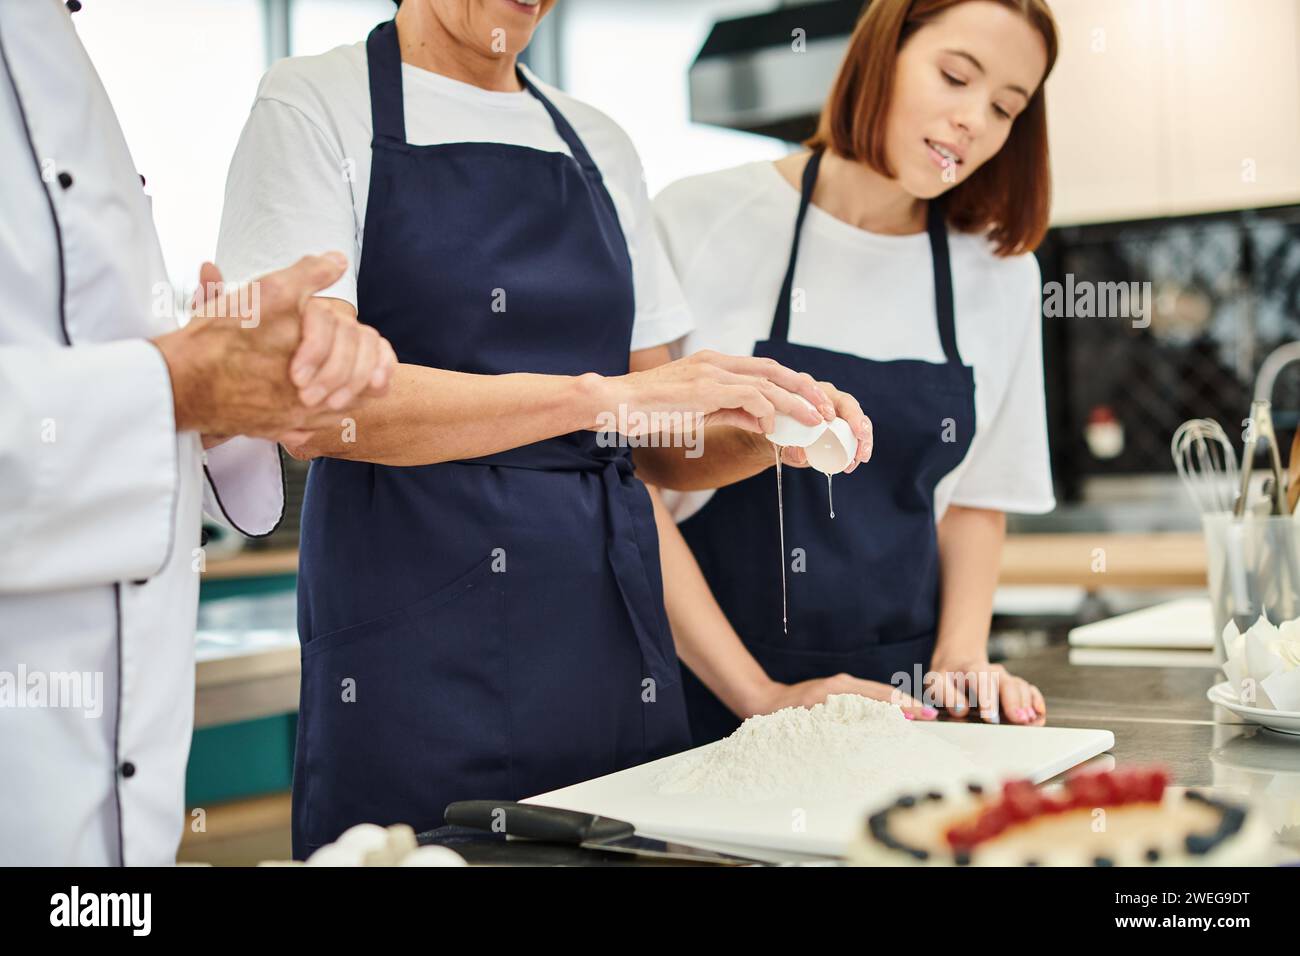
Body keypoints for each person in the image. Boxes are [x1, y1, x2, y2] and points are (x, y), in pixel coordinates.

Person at [215, 0, 873, 857]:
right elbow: (312, 411)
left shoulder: (597, 141)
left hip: (615, 663)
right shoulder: (314, 103)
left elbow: (645, 459)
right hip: (414, 667)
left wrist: (763, 437)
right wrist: (597, 402)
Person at [0, 0, 395, 865]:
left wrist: (218, 399)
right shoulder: (307, 100)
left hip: (113, 809)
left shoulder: (63, 55)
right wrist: (176, 384)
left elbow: (113, 380)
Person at [649, 0, 1059, 744]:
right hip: (714, 705)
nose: (974, 120)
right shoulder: (696, 220)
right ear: (881, 53)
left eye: (1005, 107)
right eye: (955, 76)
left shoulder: (999, 272)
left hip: (902, 715)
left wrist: (961, 661)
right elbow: (634, 487)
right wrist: (764, 696)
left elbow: (976, 500)